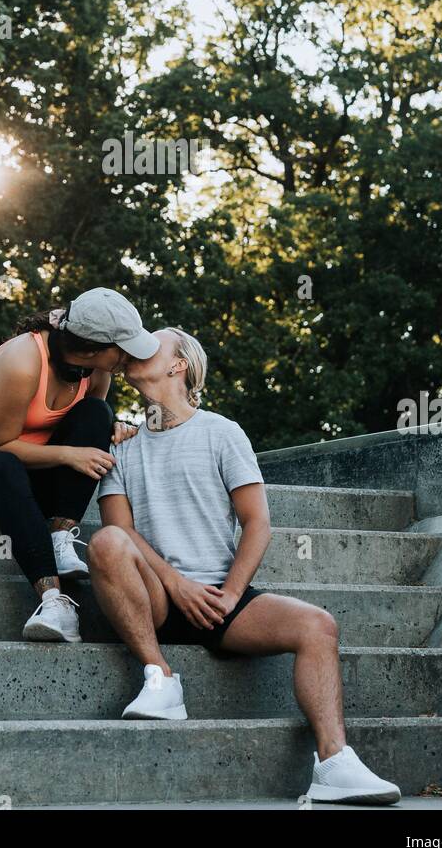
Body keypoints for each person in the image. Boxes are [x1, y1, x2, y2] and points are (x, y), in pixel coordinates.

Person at [88, 326, 402, 806]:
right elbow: (120, 532)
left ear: (179, 365)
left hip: (219, 598)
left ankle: (335, 763)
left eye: (153, 342)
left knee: (317, 625)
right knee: (106, 540)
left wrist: (231, 597)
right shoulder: (120, 444)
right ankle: (160, 677)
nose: (138, 348)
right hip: (151, 596)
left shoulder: (222, 432)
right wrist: (176, 584)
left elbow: (257, 524)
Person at [0, 287, 158, 643]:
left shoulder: (95, 369)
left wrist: (113, 428)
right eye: (121, 349)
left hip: (37, 481)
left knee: (98, 413)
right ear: (93, 346)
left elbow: (82, 426)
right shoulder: (23, 361)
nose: (127, 358)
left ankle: (60, 537)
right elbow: (0, 446)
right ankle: (53, 602)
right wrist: (68, 455)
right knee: (4, 465)